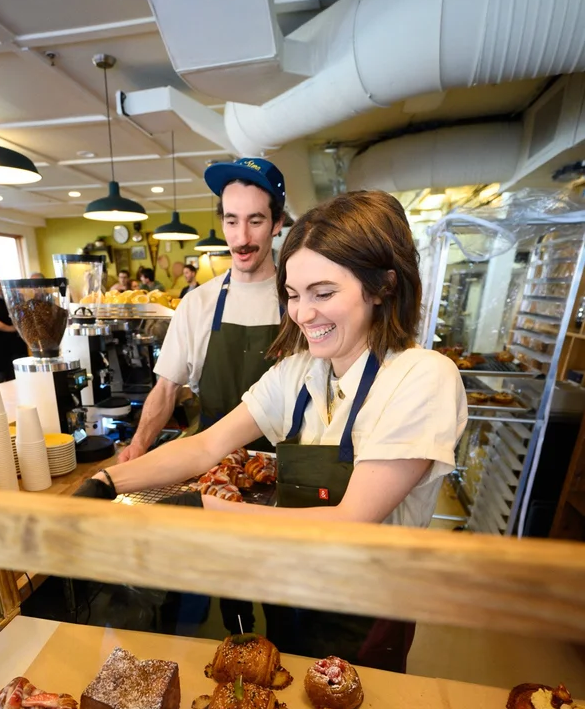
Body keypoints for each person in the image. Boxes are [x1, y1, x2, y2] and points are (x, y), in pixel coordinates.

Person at [77, 191, 468, 672]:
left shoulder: (423, 378)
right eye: (293, 294)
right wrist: (109, 482)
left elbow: (351, 521)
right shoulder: (300, 372)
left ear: (382, 286)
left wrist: (208, 511)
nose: (303, 314)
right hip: (291, 590)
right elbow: (206, 445)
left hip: (365, 611)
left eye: (323, 294)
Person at [118, 157, 286, 464]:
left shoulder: (298, 301)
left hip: (288, 467)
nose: (242, 238)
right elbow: (167, 389)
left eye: (256, 221)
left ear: (277, 224)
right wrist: (139, 445)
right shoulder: (197, 304)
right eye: (232, 221)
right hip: (214, 465)